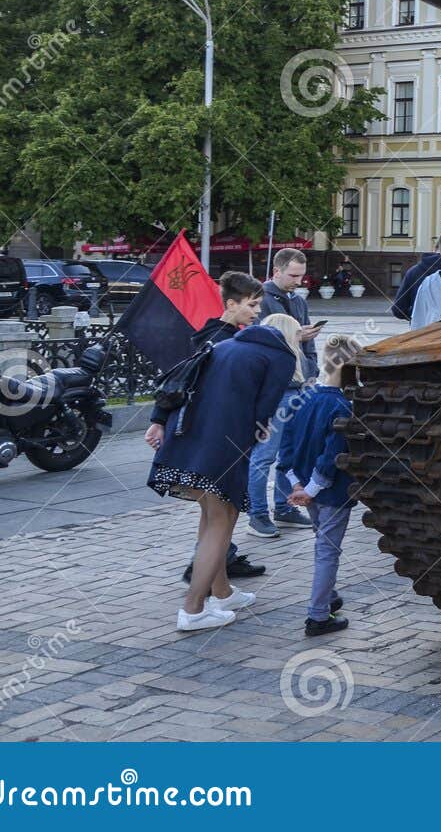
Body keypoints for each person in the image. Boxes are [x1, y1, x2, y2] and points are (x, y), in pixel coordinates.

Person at [146, 319, 297, 631]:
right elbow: (265, 409)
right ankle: (193, 609)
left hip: (186, 437)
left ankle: (222, 593)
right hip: (222, 446)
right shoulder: (281, 357)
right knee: (221, 519)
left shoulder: (226, 345)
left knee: (214, 515)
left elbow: (183, 378)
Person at [143, 272, 272, 585]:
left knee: (217, 515)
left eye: (258, 305)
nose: (257, 312)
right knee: (220, 516)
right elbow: (184, 380)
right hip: (213, 440)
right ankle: (201, 591)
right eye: (252, 305)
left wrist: (158, 419)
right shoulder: (221, 341)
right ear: (231, 304)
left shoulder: (218, 336)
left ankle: (218, 584)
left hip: (210, 438)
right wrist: (159, 420)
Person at [280, 333, 357, 636]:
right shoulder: (342, 407)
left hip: (303, 489)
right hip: (331, 492)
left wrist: (297, 486)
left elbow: (285, 448)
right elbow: (332, 456)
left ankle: (328, 596)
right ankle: (318, 615)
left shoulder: (304, 398)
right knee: (328, 551)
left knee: (321, 544)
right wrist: (311, 489)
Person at [246, 314, 311, 537]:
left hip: (293, 395)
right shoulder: (271, 355)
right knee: (264, 458)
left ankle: (283, 508)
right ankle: (257, 514)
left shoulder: (289, 354)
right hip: (279, 401)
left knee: (287, 457)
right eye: (296, 333)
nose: (300, 337)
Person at [261, 248, 323, 379]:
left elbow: (309, 347)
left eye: (302, 276)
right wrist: (296, 336)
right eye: (294, 276)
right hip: (274, 378)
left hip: (302, 379)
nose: (299, 282)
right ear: (276, 272)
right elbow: (258, 341)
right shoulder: (259, 300)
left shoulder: (299, 301)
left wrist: (311, 370)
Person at [391, 249, 441, 321]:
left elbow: (398, 309)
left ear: (434, 250)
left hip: (420, 328)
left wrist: (415, 315)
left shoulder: (413, 271)